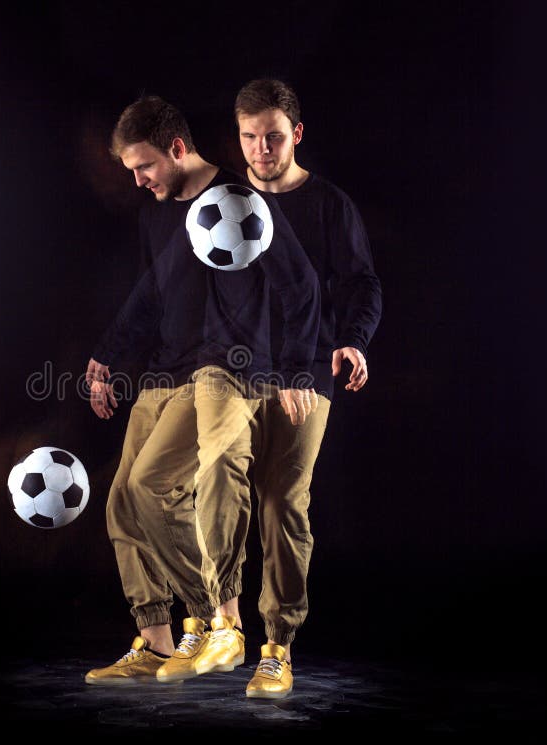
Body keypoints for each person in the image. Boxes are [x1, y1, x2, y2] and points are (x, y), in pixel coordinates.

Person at [82, 96, 322, 686]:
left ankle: (218, 620)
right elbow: (152, 292)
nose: (138, 181)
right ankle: (160, 642)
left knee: (153, 488)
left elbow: (297, 286)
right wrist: (107, 355)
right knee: (122, 504)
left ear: (178, 149)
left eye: (144, 167)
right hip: (162, 374)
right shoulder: (157, 212)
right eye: (131, 172)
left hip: (213, 374)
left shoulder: (243, 202)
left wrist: (291, 370)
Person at [234, 78, 383, 698]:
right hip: (234, 373)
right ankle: (213, 625)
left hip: (306, 375)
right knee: (210, 485)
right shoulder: (225, 203)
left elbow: (362, 283)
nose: (261, 148)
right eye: (248, 137)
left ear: (295, 134)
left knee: (281, 501)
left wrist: (353, 340)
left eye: (272, 136)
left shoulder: (329, 206)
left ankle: (276, 646)